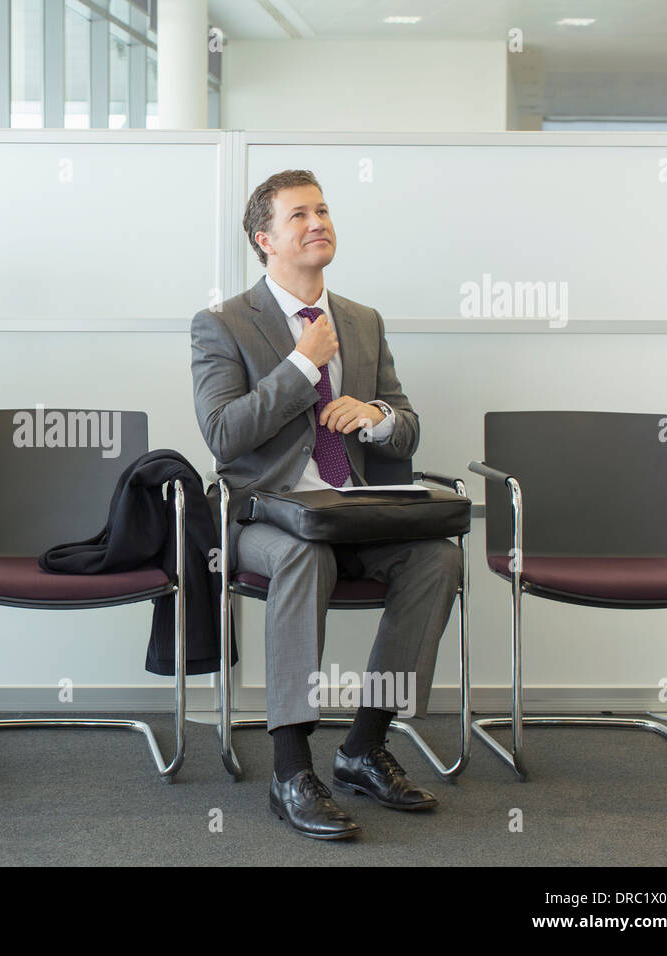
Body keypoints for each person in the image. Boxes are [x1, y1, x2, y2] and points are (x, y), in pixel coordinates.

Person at [190, 170, 461, 840]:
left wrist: (372, 418)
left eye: (323, 210)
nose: (318, 223)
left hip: (353, 508)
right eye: (299, 215)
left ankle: (364, 746)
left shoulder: (362, 321)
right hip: (267, 516)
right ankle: (290, 768)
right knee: (305, 558)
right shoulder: (222, 323)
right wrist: (303, 368)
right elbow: (223, 433)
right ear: (265, 238)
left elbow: (406, 424)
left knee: (436, 559)